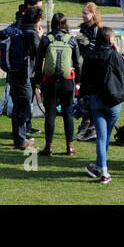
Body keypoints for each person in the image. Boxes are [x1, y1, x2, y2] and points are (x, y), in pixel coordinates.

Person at [79, 26, 124, 184]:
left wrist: (81, 97)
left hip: (96, 100)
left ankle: (101, 168)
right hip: (113, 101)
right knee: (105, 135)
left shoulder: (90, 55)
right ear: (110, 39)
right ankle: (102, 169)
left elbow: (84, 77)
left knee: (101, 136)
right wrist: (117, 51)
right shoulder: (114, 55)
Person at [34, 11, 82, 156]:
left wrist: (37, 81)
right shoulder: (72, 40)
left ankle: (48, 146)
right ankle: (70, 146)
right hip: (67, 82)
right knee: (68, 113)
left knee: (50, 113)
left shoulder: (46, 39)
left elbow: (38, 62)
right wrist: (78, 81)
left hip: (49, 82)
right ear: (65, 24)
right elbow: (78, 64)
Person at [6, 4, 43, 150]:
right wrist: (40, 37)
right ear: (37, 20)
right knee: (23, 106)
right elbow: (39, 52)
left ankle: (19, 137)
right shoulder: (31, 33)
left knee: (18, 106)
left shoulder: (19, 28)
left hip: (14, 73)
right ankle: (20, 140)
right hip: (23, 75)